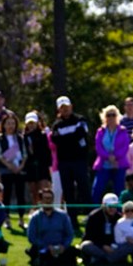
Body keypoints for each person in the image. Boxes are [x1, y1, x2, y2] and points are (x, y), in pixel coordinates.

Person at [49, 96, 93, 228]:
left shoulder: (80, 120)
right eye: (62, 108)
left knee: (84, 189)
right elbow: (56, 140)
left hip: (80, 160)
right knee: (68, 192)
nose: (65, 110)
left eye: (67, 107)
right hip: (64, 162)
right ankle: (73, 221)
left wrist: (66, 139)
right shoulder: (56, 125)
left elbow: (82, 134)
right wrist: (72, 139)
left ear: (71, 106)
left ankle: (91, 218)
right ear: (59, 110)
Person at [0, 112, 28, 228]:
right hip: (5, 170)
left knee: (20, 194)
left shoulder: (20, 138)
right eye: (8, 123)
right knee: (6, 194)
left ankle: (21, 219)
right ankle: (6, 219)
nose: (10, 126)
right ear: (4, 125)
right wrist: (10, 166)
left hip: (19, 169)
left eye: (13, 123)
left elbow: (24, 153)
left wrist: (20, 166)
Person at [25, 188, 77, 266]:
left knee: (72, 251)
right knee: (35, 250)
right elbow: (31, 237)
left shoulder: (63, 215)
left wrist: (63, 246)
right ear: (41, 200)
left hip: (60, 247)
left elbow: (70, 234)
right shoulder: (35, 217)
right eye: (45, 198)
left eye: (50, 198)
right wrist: (47, 246)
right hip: (44, 248)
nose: (48, 201)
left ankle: (48, 261)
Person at [92, 105, 131, 203]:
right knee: (97, 189)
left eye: (113, 115)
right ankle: (94, 209)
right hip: (104, 164)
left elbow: (125, 147)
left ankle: (119, 210)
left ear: (117, 116)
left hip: (119, 164)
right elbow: (98, 147)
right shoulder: (100, 131)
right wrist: (108, 157)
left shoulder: (122, 130)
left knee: (119, 190)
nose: (111, 117)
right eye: (108, 115)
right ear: (104, 117)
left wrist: (115, 157)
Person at [79, 193, 129, 266]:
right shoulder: (94, 216)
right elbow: (89, 236)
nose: (112, 209)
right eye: (110, 206)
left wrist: (113, 246)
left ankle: (99, 259)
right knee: (85, 245)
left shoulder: (119, 218)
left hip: (113, 246)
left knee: (129, 244)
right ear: (104, 205)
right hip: (97, 245)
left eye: (115, 206)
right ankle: (112, 258)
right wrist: (103, 246)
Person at [22, 111, 54, 206]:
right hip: (30, 166)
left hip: (42, 165)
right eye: (29, 123)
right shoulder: (24, 137)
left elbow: (48, 152)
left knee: (44, 188)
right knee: (33, 191)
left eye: (33, 123)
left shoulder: (43, 135)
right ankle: (35, 207)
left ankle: (46, 206)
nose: (31, 125)